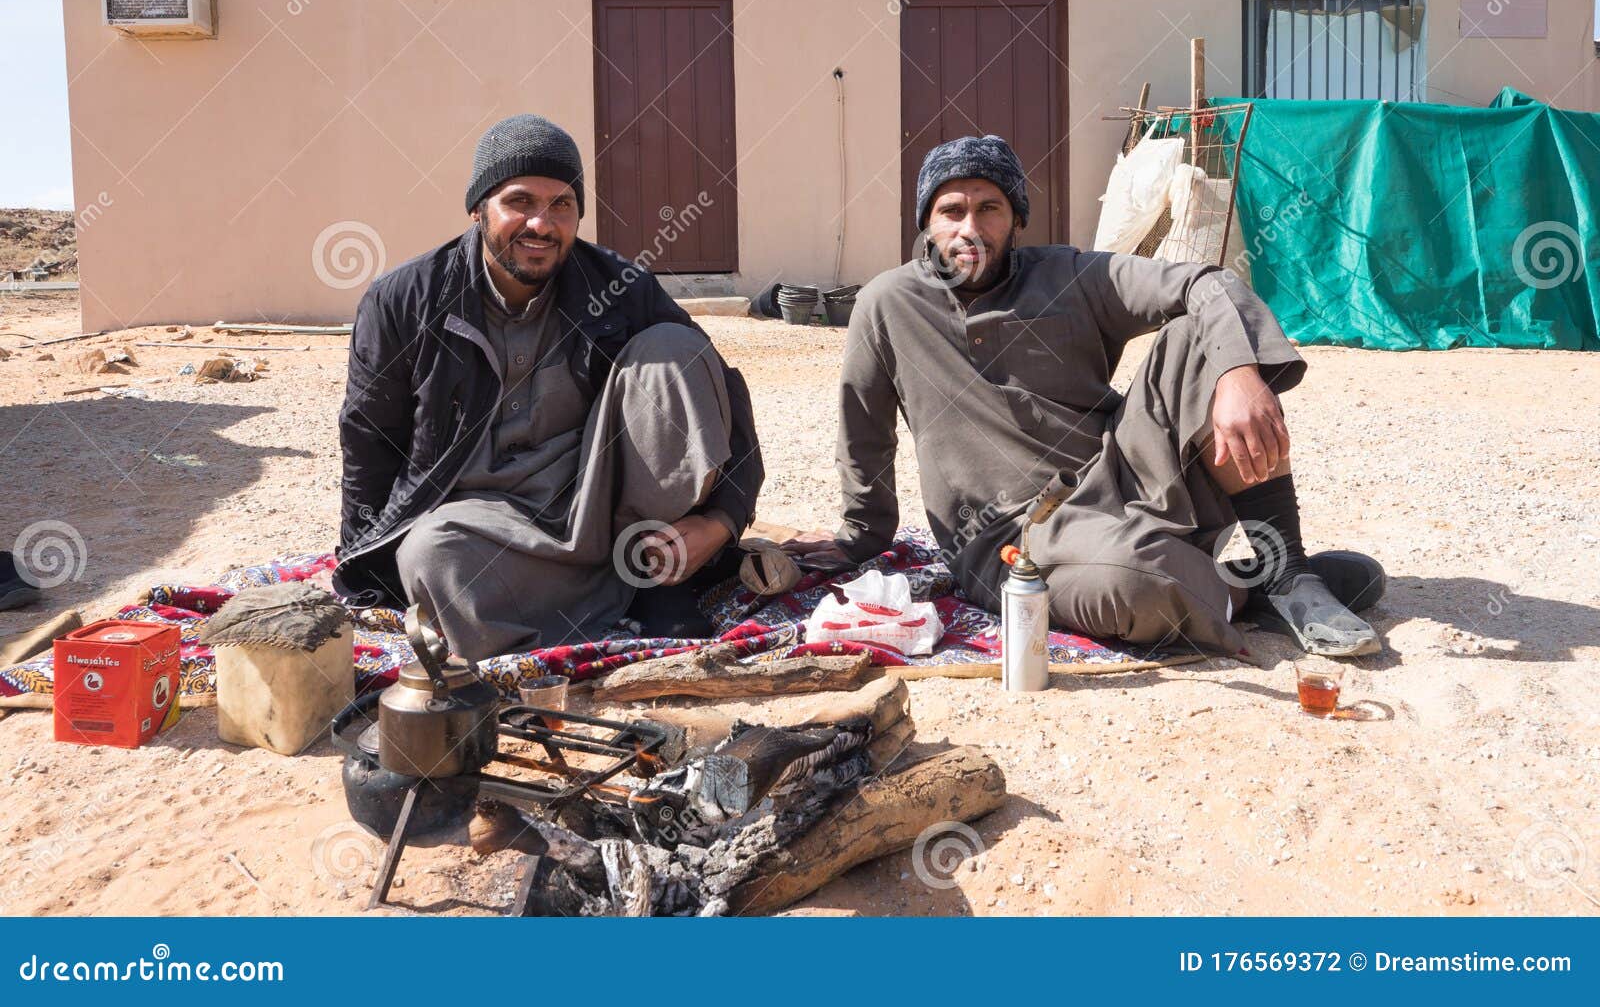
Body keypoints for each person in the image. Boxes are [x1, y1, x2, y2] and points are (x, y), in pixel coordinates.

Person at [785, 134, 1384, 657]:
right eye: (951, 210)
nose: (969, 228)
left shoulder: (1069, 275)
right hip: (1012, 540)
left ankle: (1291, 573)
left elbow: (1203, 280)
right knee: (1132, 585)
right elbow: (863, 431)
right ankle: (1245, 590)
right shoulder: (886, 304)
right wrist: (858, 538)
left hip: (1123, 478)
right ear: (926, 222)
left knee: (1204, 330)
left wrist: (1237, 373)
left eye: (989, 208)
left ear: (1016, 218)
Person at [335, 114, 762, 662]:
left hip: (607, 512)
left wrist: (719, 523)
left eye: (561, 205)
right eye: (520, 201)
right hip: (481, 522)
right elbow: (369, 439)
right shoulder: (403, 301)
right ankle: (579, 629)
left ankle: (656, 581)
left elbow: (727, 395)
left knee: (675, 354)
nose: (541, 224)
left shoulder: (619, 286)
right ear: (477, 208)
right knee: (431, 555)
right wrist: (362, 570)